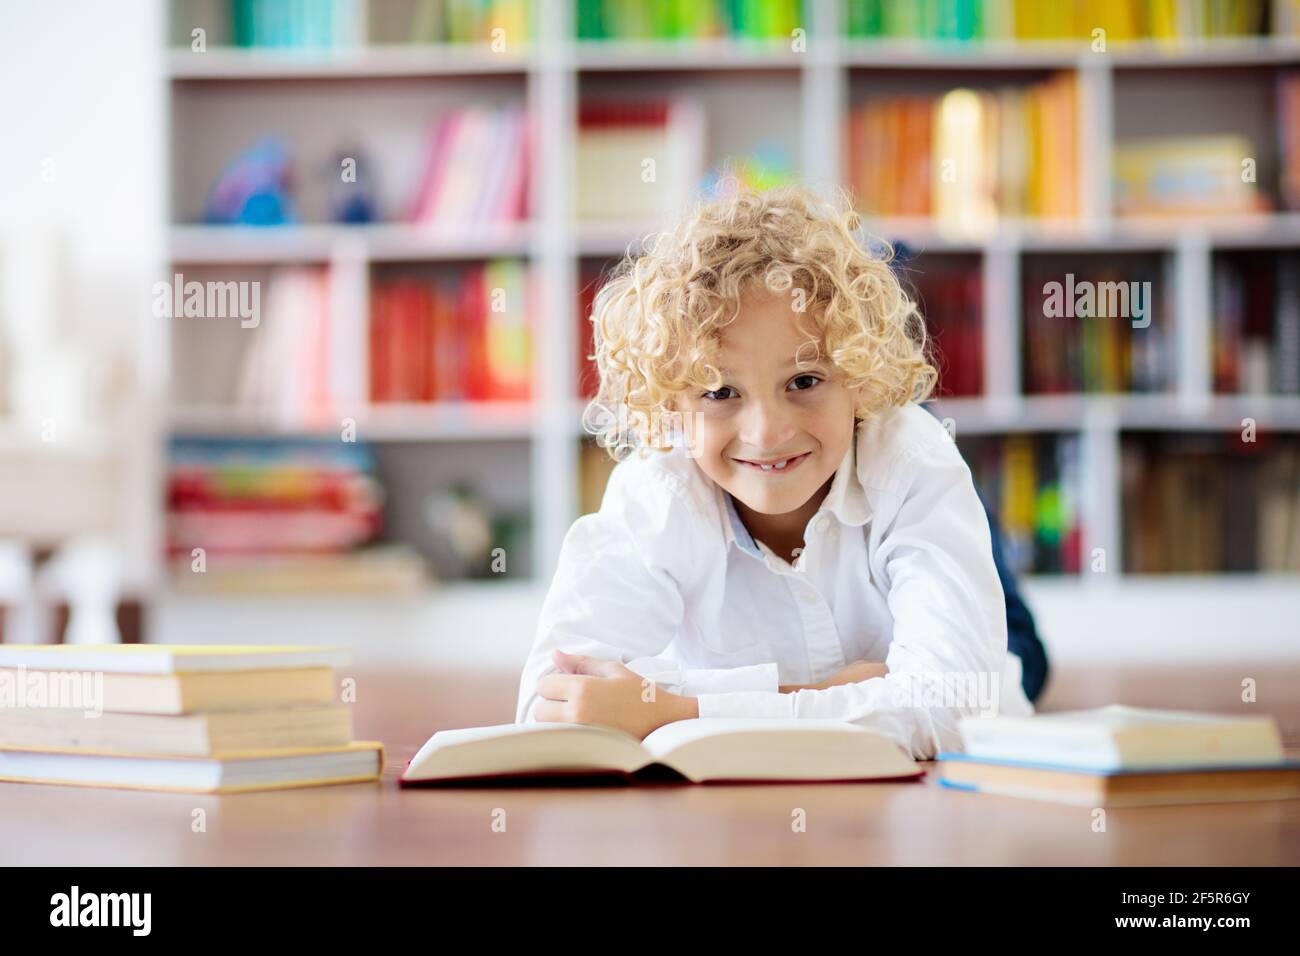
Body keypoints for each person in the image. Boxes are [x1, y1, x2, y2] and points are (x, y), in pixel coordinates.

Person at [515, 186, 1042, 759]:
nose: (766, 432)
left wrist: (678, 710)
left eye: (804, 380)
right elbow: (551, 702)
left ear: (859, 376)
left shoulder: (912, 458)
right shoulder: (659, 488)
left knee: (1020, 653)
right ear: (671, 408)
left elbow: (957, 706)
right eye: (719, 391)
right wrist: (833, 695)